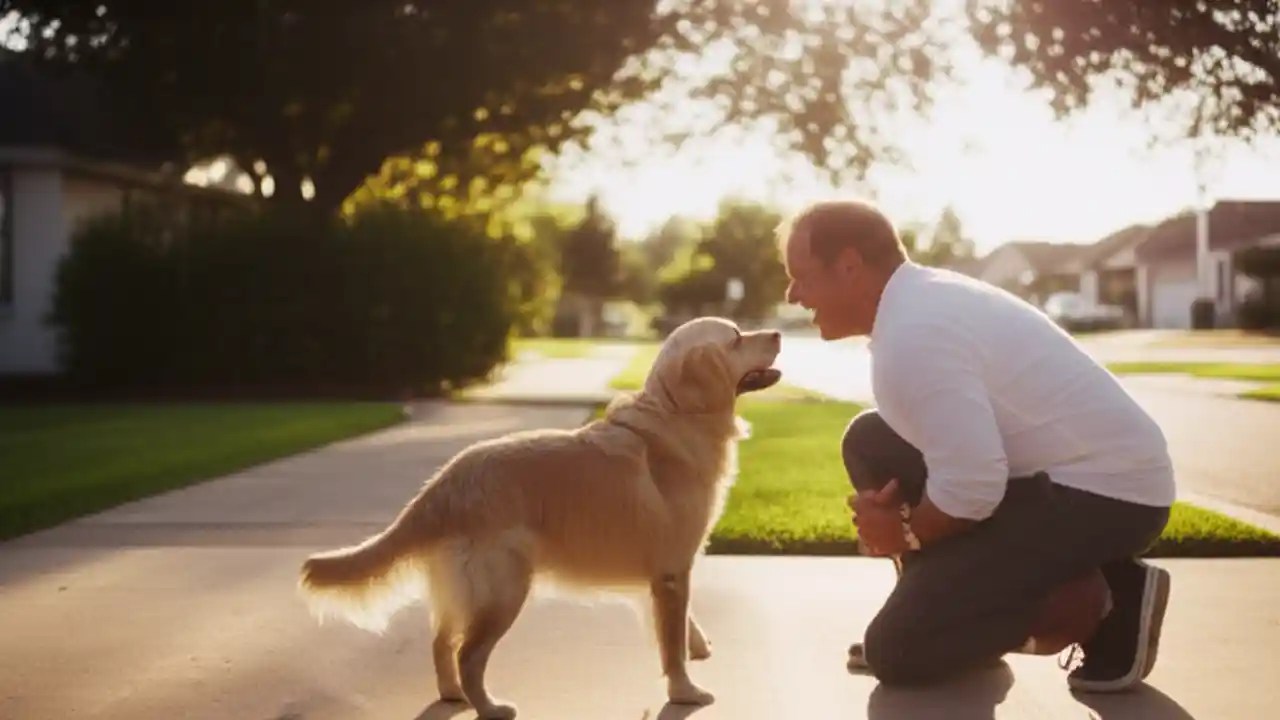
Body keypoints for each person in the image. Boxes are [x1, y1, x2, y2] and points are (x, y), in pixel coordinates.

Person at [778, 199, 1175, 692]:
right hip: (1072, 477)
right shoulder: (917, 302)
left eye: (801, 276)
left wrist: (902, 532)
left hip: (1109, 498)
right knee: (872, 440)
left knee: (896, 652)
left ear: (850, 266)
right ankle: (949, 616)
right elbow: (971, 467)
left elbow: (975, 485)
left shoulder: (914, 335)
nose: (793, 294)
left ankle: (1105, 601)